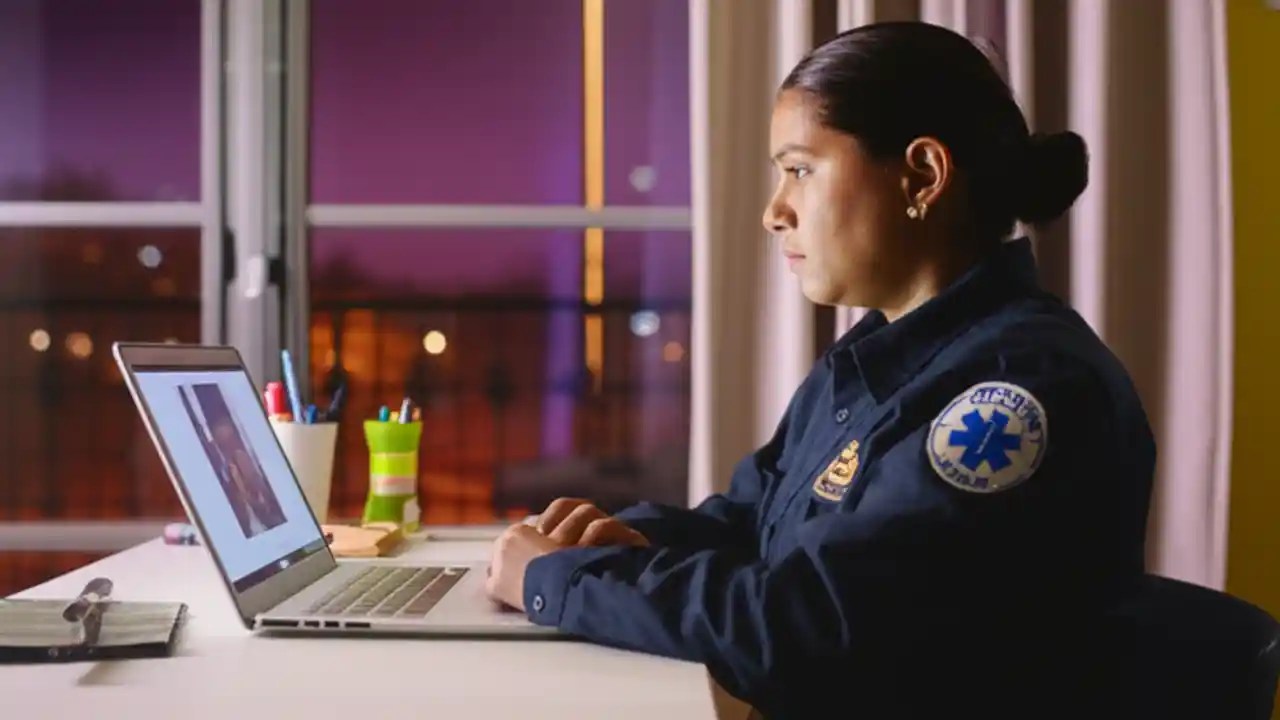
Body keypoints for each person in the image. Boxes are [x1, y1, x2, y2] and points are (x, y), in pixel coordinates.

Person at [485, 22, 1154, 719]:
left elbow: (806, 627)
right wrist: (617, 539)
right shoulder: (877, 358)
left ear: (922, 176)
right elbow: (752, 524)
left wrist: (560, 583)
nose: (775, 211)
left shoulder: (1017, 392)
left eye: (800, 169)